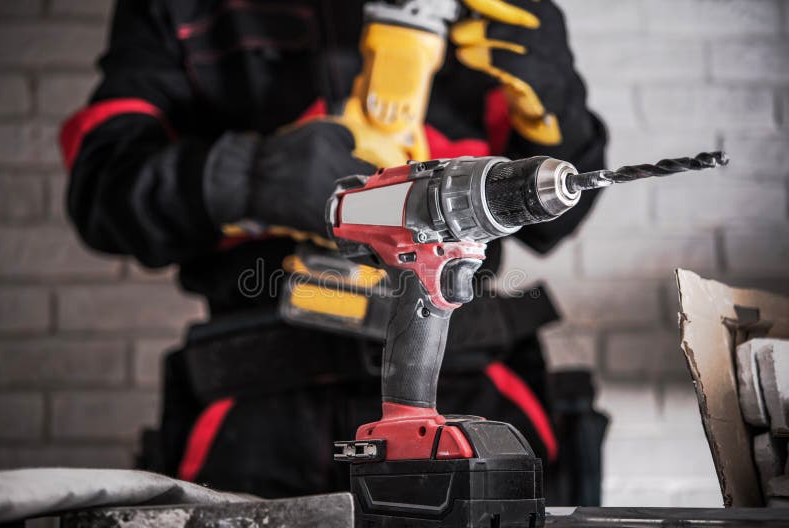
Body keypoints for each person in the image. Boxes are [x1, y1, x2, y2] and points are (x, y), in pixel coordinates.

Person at [61, 0, 606, 499]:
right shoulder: (184, 7)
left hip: (473, 386)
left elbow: (557, 220)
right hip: (255, 404)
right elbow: (102, 190)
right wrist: (250, 178)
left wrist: (551, 92)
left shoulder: (495, 12)